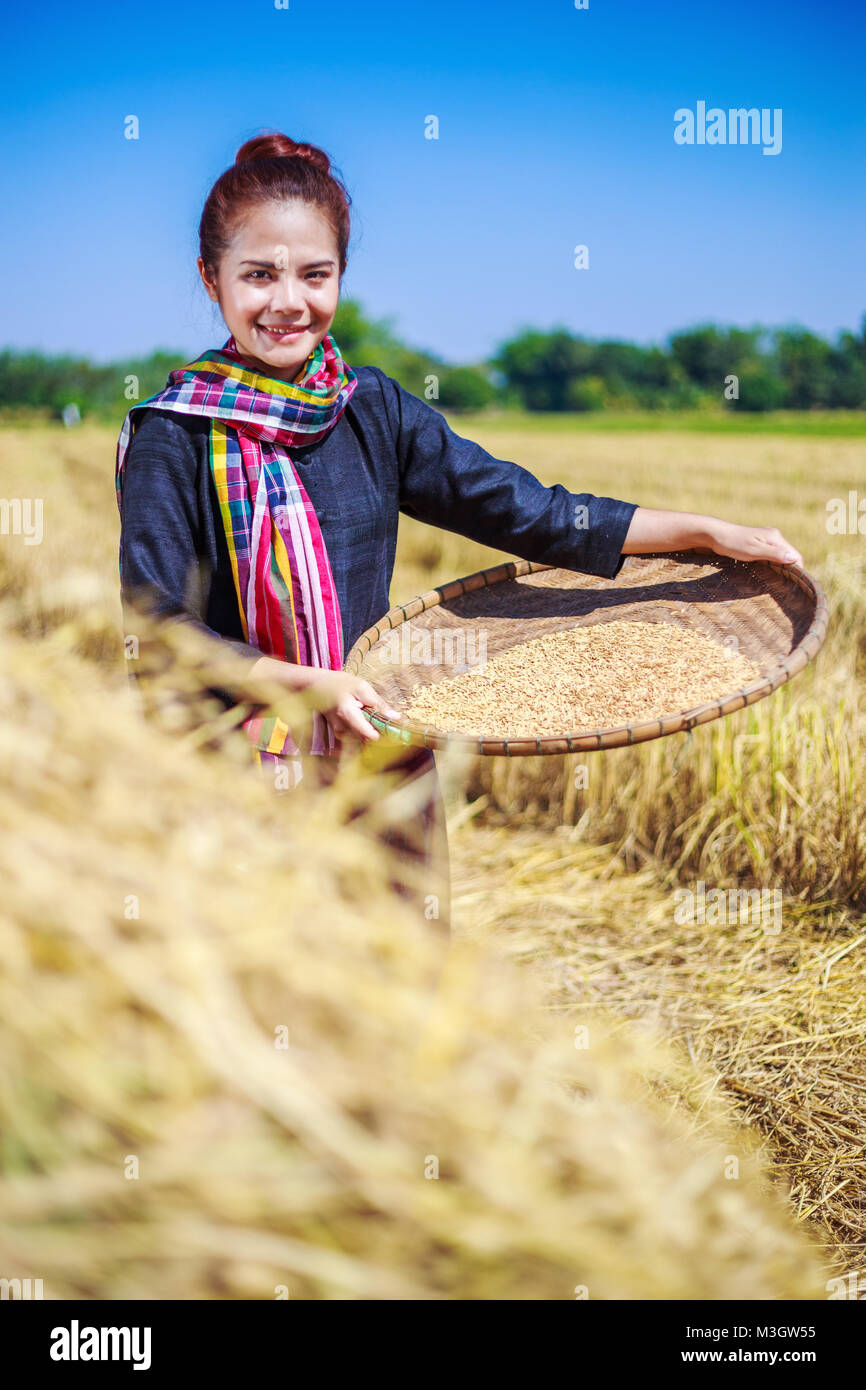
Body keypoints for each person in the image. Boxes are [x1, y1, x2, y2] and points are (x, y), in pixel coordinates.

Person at [115, 131, 804, 934]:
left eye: (315, 274)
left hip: (377, 753)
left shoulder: (373, 409)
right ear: (212, 278)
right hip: (233, 771)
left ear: (342, 275)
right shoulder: (176, 433)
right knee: (269, 1002)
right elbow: (155, 629)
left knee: (401, 994)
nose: (288, 301)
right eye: (258, 275)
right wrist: (310, 687)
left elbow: (530, 513)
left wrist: (707, 532)